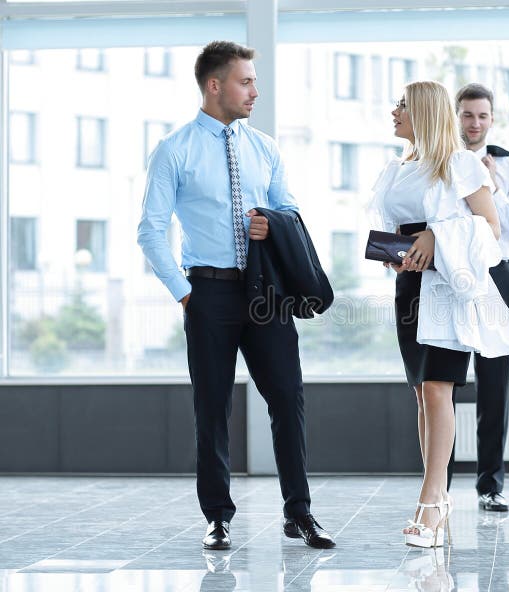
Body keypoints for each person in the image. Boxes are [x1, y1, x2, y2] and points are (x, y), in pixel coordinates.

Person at [137, 40, 335, 550]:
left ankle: (299, 513)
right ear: (214, 85)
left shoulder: (265, 146)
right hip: (208, 292)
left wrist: (273, 222)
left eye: (254, 81)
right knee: (212, 406)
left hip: (266, 293)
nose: (254, 91)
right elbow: (151, 231)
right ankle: (217, 516)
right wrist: (185, 295)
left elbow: (289, 210)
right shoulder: (174, 150)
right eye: (246, 81)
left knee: (288, 397)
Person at [371, 80, 509, 547]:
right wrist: (394, 253)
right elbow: (397, 227)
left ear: (422, 112)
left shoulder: (459, 163)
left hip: (447, 287)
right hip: (410, 284)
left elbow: (491, 228)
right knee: (423, 393)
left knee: (439, 390)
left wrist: (438, 239)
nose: (394, 110)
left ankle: (432, 501)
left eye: (402, 105)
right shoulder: (398, 169)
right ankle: (436, 493)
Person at [450, 83, 509, 513]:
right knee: (441, 385)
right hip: (449, 278)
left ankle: (490, 486)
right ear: (456, 116)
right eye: (467, 115)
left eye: (482, 116)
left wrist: (494, 185)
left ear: (492, 119)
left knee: (495, 385)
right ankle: (437, 487)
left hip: (497, 278)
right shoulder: (443, 160)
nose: (475, 123)